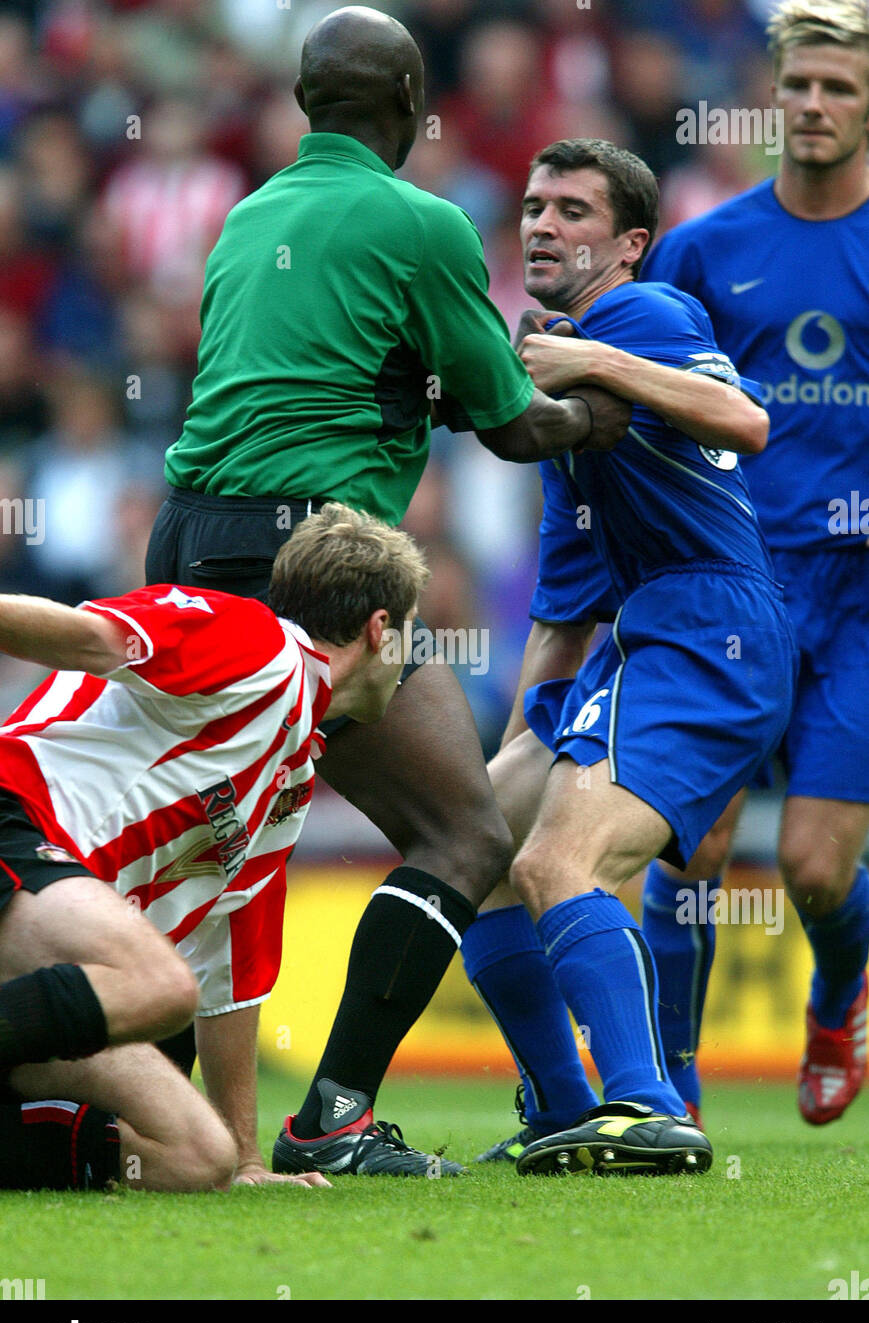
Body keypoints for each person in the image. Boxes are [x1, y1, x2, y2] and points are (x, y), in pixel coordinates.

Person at [142, 5, 631, 1178]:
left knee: (183, 850)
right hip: (311, 560)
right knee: (461, 831)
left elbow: (332, 371)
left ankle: (126, 1116)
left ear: (309, 104)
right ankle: (336, 1119)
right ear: (413, 106)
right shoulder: (422, 222)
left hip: (181, 545)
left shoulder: (245, 216)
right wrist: (604, 412)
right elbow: (512, 424)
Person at [459, 136, 797, 1176]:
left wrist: (593, 356)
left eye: (571, 211)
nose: (541, 225)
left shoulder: (637, 317)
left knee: (560, 864)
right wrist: (517, 751)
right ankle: (565, 1109)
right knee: (472, 855)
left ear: (629, 243)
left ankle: (649, 1107)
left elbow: (744, 419)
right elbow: (560, 616)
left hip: (709, 629)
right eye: (531, 206)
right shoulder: (565, 418)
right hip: (637, 638)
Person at [0, 503, 431, 1190]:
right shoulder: (254, 640)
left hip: (54, 940)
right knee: (160, 986)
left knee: (195, 1157)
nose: (413, 656)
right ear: (381, 630)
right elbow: (90, 637)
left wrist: (248, 1160)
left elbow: (228, 969)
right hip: (12, 826)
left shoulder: (292, 769)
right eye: (413, 634)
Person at [635, 0, 869, 1128]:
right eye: (799, 86)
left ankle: (835, 994)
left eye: (838, 87)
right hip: (733, 586)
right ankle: (669, 1086)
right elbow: (654, 410)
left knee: (818, 869)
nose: (814, 105)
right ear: (772, 94)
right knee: (698, 841)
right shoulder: (704, 249)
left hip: (857, 595)